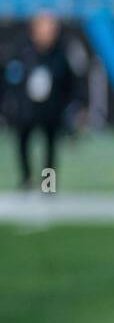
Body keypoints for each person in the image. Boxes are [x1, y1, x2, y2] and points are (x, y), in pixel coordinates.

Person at [4, 12, 79, 190]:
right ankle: (26, 179)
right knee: (23, 141)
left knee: (50, 147)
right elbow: (12, 78)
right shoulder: (23, 51)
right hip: (27, 109)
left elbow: (70, 83)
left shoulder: (60, 54)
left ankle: (48, 184)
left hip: (51, 109)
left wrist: (70, 107)